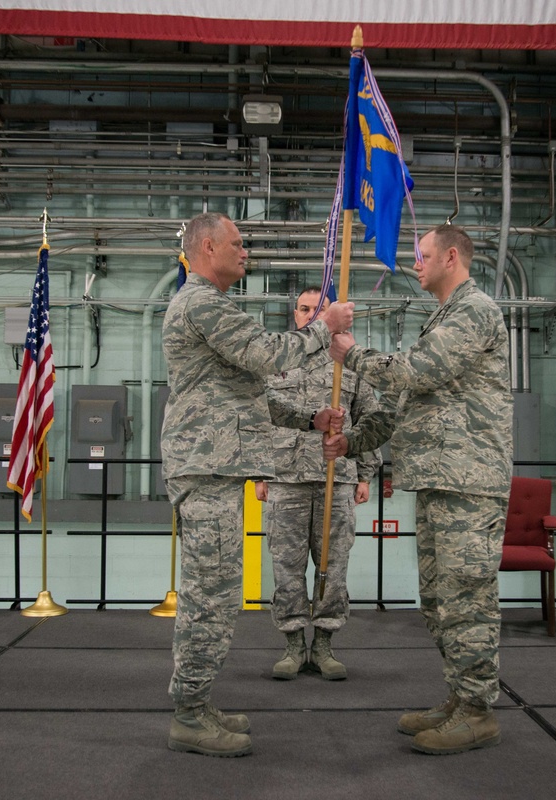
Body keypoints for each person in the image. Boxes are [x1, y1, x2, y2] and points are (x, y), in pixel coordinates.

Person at [161, 211, 353, 758]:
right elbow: (267, 355)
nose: (246, 253)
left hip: (215, 467)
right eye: (238, 244)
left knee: (216, 593)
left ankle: (198, 703)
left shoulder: (207, 304)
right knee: (211, 598)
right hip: (208, 468)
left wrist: (306, 418)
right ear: (206, 248)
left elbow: (247, 392)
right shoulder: (200, 303)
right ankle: (189, 714)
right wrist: (327, 325)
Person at [323, 223, 513, 755]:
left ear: (452, 257)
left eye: (423, 254)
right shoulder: (442, 318)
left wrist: (353, 356)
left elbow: (421, 372)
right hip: (438, 480)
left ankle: (478, 711)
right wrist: (354, 441)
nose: (416, 263)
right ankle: (460, 695)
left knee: (468, 597)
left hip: (468, 482)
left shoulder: (475, 311)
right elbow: (407, 407)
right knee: (438, 599)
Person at [255, 287, 382, 681]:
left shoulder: (349, 362)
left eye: (320, 310)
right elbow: (259, 419)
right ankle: (293, 645)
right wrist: (260, 472)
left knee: (334, 567)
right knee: (286, 568)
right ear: (295, 315)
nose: (312, 316)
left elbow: (370, 419)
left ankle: (324, 646)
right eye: (305, 309)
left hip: (337, 479)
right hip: (286, 480)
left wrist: (365, 473)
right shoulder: (274, 361)